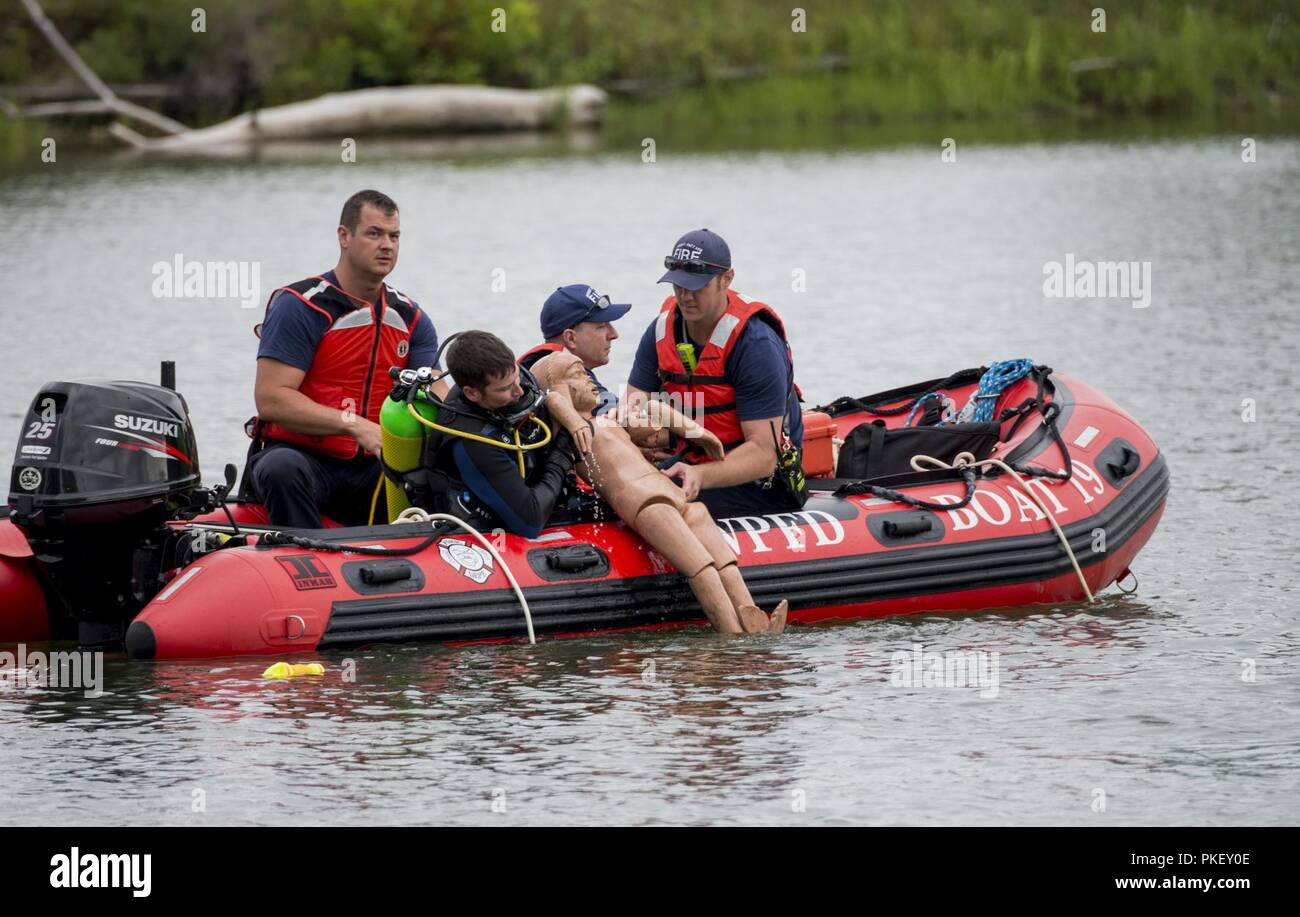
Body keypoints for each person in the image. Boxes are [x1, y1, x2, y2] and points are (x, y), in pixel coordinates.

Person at [533, 350, 787, 634]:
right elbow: (553, 399)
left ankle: (755, 621)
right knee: (701, 569)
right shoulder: (570, 434)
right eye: (578, 375)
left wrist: (696, 432)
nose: (590, 380)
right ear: (560, 387)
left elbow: (650, 408)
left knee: (724, 562)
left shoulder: (607, 422)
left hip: (670, 493)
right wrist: (571, 414)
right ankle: (732, 633)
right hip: (646, 502)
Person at [247, 189, 445, 528]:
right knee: (281, 467)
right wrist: (353, 425)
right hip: (305, 462)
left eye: (394, 236)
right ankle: (306, 567)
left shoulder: (411, 318)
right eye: (374, 234)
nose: (387, 245)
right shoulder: (300, 306)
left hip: (376, 468)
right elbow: (271, 400)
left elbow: (438, 395)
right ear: (344, 236)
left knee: (438, 473)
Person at [625, 228, 805, 518]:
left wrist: (700, 475)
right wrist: (645, 434)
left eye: (697, 286)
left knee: (650, 497)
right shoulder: (660, 330)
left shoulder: (755, 344)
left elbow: (762, 455)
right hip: (689, 460)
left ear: (726, 279)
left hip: (762, 483)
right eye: (678, 285)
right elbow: (632, 406)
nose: (685, 296)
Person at [418, 331, 575, 538]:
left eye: (517, 378)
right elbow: (530, 522)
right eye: (506, 389)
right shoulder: (473, 443)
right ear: (472, 393)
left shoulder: (509, 383)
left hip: (531, 483)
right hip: (488, 526)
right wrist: (562, 452)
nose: (519, 392)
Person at [517, 284, 630, 416]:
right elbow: (626, 418)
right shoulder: (567, 373)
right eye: (601, 326)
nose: (614, 334)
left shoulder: (537, 367)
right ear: (570, 338)